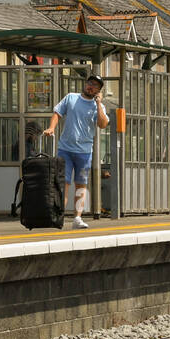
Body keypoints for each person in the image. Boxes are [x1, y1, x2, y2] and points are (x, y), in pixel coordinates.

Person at [43, 73, 110, 229]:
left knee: (81, 184)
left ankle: (77, 218)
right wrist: (52, 128)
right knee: (62, 183)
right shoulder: (71, 98)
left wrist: (99, 104)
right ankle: (59, 215)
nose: (91, 86)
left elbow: (103, 124)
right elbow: (57, 113)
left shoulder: (98, 106)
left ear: (99, 90)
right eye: (90, 83)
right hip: (65, 149)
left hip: (84, 152)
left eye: (95, 85)